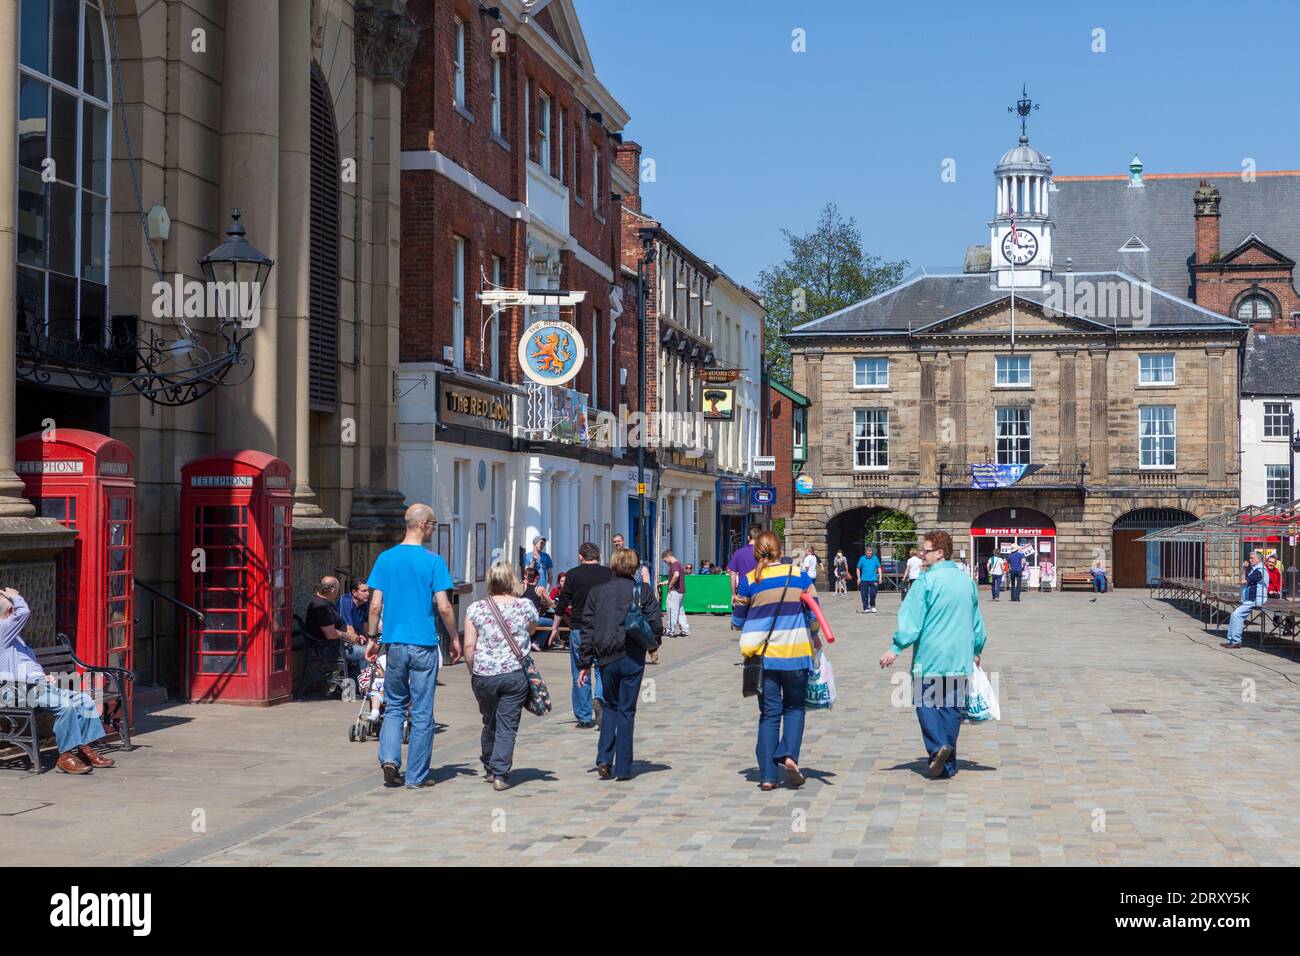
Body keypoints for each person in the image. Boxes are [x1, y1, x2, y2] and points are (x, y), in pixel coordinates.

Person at [364, 503, 460, 789]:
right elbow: (444, 607)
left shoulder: (385, 558)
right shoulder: (433, 561)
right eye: (432, 524)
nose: (433, 528)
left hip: (394, 644)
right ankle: (416, 776)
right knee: (421, 712)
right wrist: (455, 637)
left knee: (394, 706)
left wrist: (372, 639)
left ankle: (390, 760)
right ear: (422, 525)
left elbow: (375, 604)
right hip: (424, 645)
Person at [879, 531, 988, 780]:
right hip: (959, 657)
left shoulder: (925, 582)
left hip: (931, 656)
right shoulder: (966, 582)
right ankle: (947, 765)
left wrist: (895, 648)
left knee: (925, 703)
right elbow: (977, 621)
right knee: (951, 709)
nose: (922, 554)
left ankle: (938, 747)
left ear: (940, 553)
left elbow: (911, 621)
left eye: (925, 550)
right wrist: (977, 650)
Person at [0, 587, 117, 774]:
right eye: (13, 609)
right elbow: (25, 612)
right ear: (9, 612)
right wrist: (16, 597)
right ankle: (65, 756)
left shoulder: (14, 638)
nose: (16, 612)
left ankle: (85, 748)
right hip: (16, 691)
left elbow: (23, 665)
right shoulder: (1, 630)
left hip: (36, 687)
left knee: (84, 700)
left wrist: (41, 677)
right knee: (67, 706)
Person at [736, 531, 819, 792]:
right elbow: (814, 613)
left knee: (769, 715)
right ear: (779, 549)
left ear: (756, 552)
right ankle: (790, 756)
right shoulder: (799, 575)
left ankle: (768, 777)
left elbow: (738, 621)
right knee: (794, 709)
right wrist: (814, 634)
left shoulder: (750, 580)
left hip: (765, 658)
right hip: (795, 654)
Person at [579, 547, 663, 781]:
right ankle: (624, 768)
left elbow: (587, 628)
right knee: (627, 711)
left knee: (611, 707)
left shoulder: (597, 593)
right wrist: (653, 643)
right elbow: (656, 623)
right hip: (633, 657)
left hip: (606, 657)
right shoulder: (642, 591)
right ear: (635, 568)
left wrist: (584, 662)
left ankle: (604, 759)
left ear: (613, 565)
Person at [462, 562, 539, 792]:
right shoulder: (525, 606)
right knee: (507, 724)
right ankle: (499, 772)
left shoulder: (476, 609)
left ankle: (489, 765)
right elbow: (532, 630)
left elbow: (469, 645)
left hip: (484, 674)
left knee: (490, 720)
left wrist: (473, 672)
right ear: (512, 580)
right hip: (514, 673)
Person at [556, 543, 612, 728]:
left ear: (581, 557)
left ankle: (584, 716)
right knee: (602, 668)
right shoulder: (608, 573)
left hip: (580, 627)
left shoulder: (573, 574)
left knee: (580, 671)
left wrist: (555, 627)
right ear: (599, 556)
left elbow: (563, 600)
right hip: (603, 628)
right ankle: (600, 699)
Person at [304, 576, 367, 685]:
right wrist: (348, 636)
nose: (338, 592)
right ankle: (364, 688)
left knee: (364, 648)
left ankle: (354, 684)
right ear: (333, 590)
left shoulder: (323, 602)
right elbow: (330, 634)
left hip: (335, 645)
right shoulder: (321, 607)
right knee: (365, 653)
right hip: (327, 648)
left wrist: (354, 637)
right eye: (337, 589)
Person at [1223, 551, 1267, 649]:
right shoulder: (1253, 569)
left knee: (1236, 615)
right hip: (1249, 599)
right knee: (1234, 615)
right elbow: (1242, 579)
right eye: (1250, 558)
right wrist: (1244, 569)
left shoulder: (1259, 570)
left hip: (1255, 599)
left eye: (1252, 558)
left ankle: (1236, 641)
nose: (1250, 560)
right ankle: (1231, 640)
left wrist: (1244, 568)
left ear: (1259, 559)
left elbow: (1241, 581)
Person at [728, 525, 762, 629]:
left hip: (744, 590)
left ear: (748, 537)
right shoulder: (763, 554)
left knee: (742, 620)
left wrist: (733, 594)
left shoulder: (738, 553)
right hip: (760, 589)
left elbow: (732, 575)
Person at [522, 567, 556, 650]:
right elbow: (550, 603)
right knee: (551, 622)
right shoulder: (540, 589)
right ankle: (537, 642)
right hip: (534, 619)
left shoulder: (521, 587)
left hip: (522, 618)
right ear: (537, 577)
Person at [662, 548, 690, 638]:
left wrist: (670, 585)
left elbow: (676, 575)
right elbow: (675, 577)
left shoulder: (674, 564)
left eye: (665, 560)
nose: (665, 562)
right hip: (681, 591)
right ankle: (685, 630)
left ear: (668, 556)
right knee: (680, 611)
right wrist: (664, 583)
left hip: (674, 591)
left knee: (671, 610)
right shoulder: (680, 564)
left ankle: (670, 630)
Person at [856, 546, 882, 613]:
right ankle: (866, 607)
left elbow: (879, 568)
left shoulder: (875, 558)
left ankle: (872, 605)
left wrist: (880, 577)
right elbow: (858, 568)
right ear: (865, 553)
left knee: (873, 593)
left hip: (873, 579)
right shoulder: (862, 559)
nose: (869, 554)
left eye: (870, 553)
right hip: (864, 579)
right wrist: (858, 578)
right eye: (868, 553)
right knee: (864, 594)